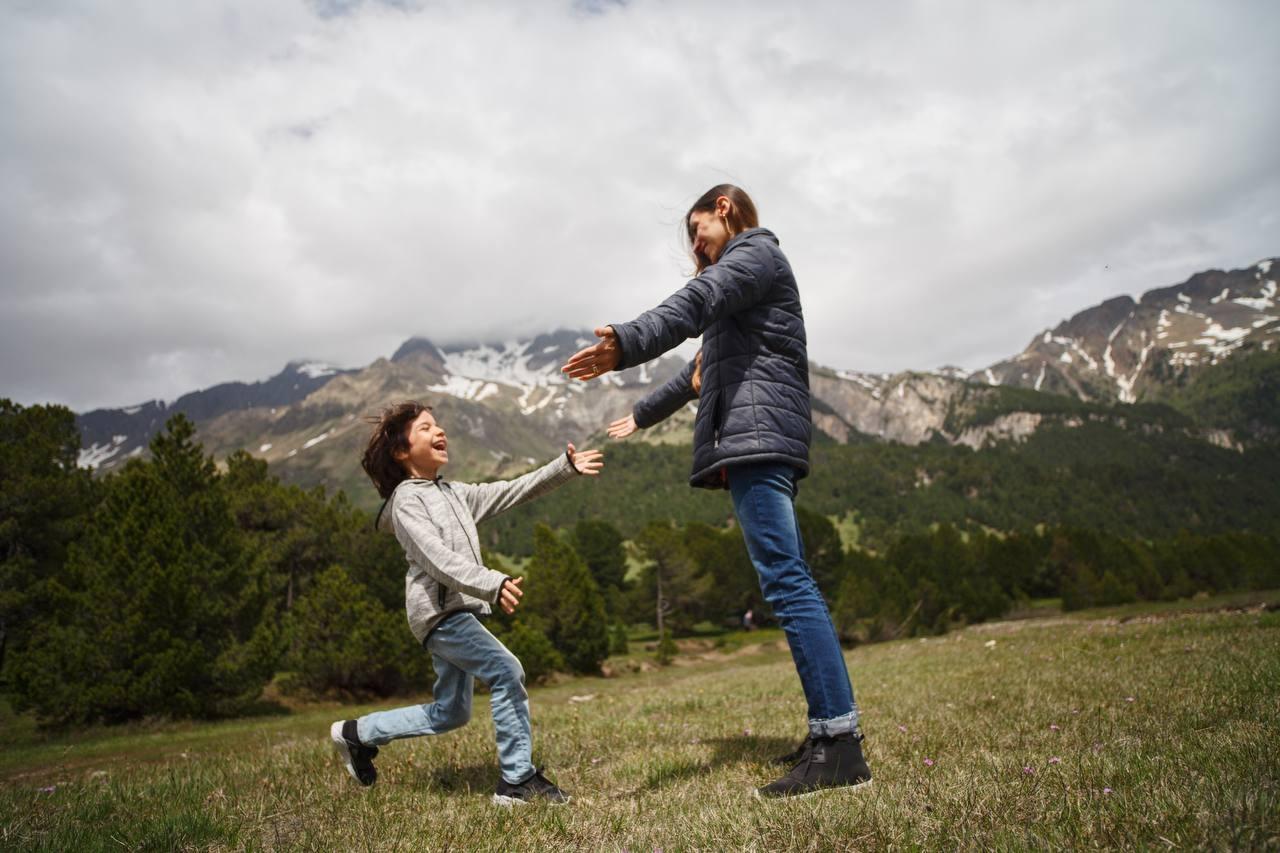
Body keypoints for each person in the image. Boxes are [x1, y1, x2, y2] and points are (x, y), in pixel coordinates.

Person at [562, 184, 872, 799]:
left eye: (696, 229)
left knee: (787, 581)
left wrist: (626, 340)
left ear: (723, 208)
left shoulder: (754, 257)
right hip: (757, 438)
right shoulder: (743, 286)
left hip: (758, 440)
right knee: (786, 579)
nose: (695, 245)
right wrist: (643, 415)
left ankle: (839, 743)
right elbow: (697, 373)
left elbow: (694, 301)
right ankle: (827, 732)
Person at [329, 401, 603, 806]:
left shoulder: (455, 494)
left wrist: (563, 468)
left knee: (451, 713)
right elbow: (437, 558)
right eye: (425, 428)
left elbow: (512, 491)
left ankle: (357, 734)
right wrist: (492, 583)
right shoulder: (407, 502)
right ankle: (516, 782)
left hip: (455, 612)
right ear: (401, 452)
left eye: (438, 426)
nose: (439, 432)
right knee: (507, 670)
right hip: (440, 615)